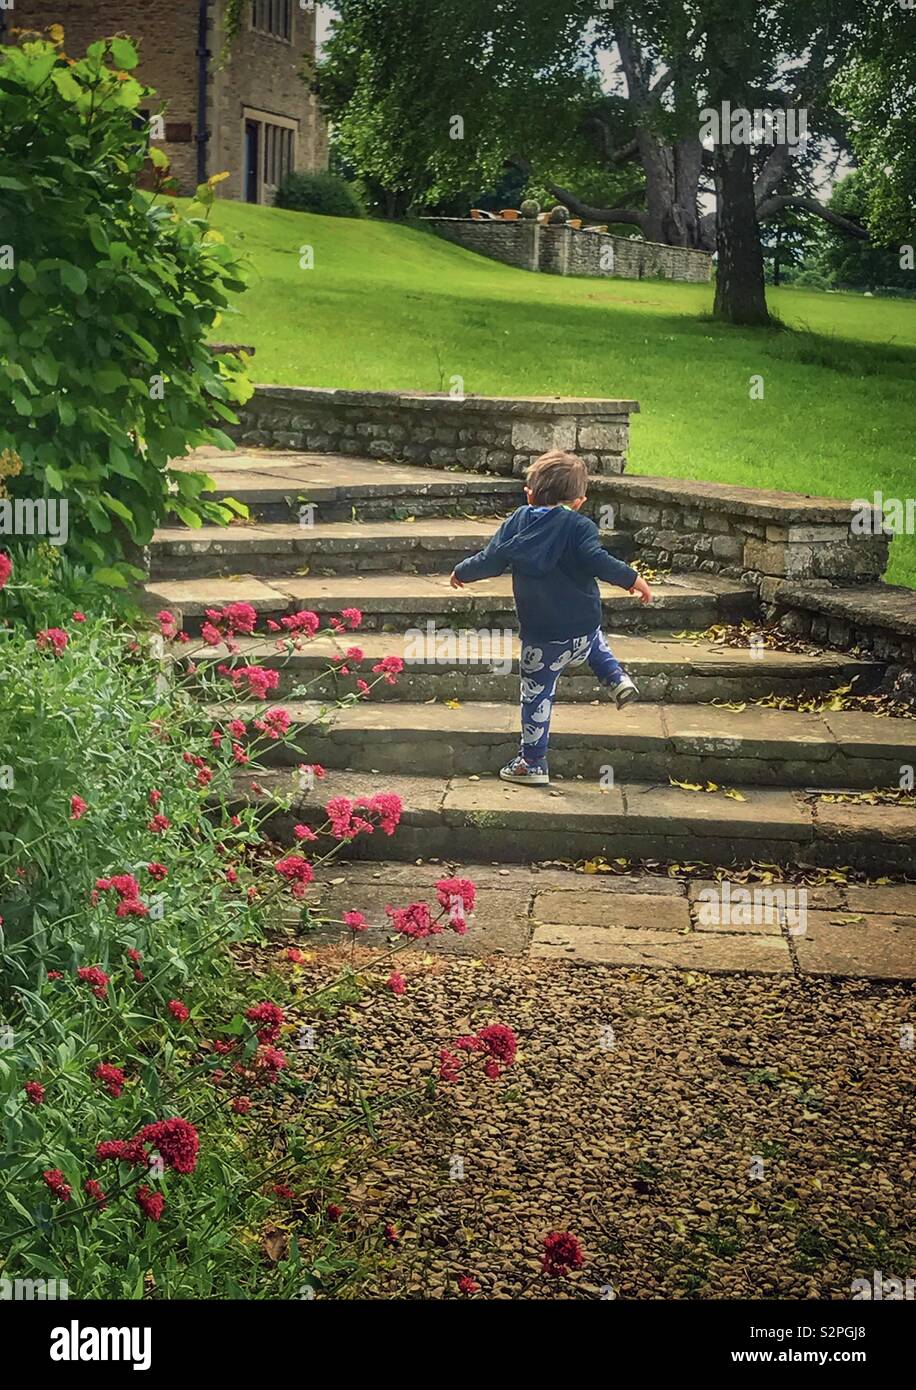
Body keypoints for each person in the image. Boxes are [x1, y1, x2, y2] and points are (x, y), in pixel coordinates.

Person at [450, 449, 653, 785]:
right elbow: (598, 560)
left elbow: (491, 559)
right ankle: (616, 679)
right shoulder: (580, 526)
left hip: (542, 638)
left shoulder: (516, 523)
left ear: (529, 494)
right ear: (579, 500)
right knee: (594, 641)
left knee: (536, 696)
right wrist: (632, 579)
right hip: (583, 628)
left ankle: (533, 763)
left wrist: (462, 572)